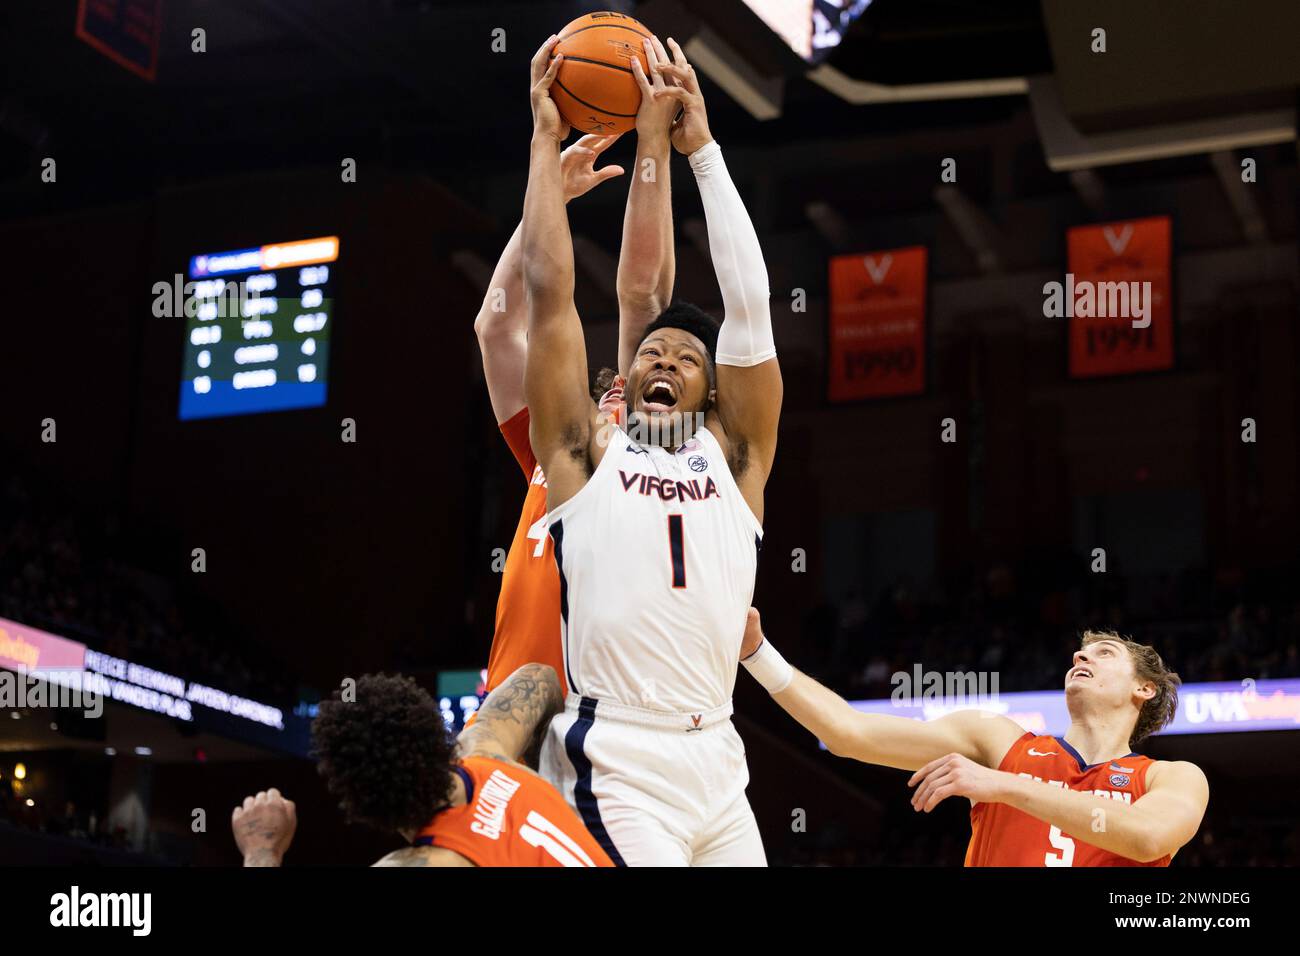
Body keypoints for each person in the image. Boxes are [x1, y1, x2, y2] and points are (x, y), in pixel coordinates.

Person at [520, 34, 782, 866]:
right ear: (623, 381)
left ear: (713, 393)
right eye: (648, 355)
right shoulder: (582, 456)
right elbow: (549, 293)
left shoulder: (737, 462)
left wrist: (700, 149)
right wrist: (542, 139)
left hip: (719, 756)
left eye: (686, 359)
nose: (663, 362)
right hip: (618, 755)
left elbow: (751, 303)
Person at [470, 36, 679, 707]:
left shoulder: (659, 451)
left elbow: (643, 296)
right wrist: (547, 194)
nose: (624, 387)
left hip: (604, 721)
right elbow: (497, 325)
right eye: (612, 390)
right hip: (506, 719)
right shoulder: (550, 449)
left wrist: (654, 147)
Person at [739, 608, 1209, 866]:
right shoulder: (1001, 741)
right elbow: (848, 733)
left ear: (1143, 688)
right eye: (1079, 653)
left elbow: (1148, 838)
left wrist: (1001, 785)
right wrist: (757, 654)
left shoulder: (1171, 778)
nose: (1080, 658)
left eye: (1103, 653)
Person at [231, 663, 612, 867]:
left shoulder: (429, 862)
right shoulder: (488, 748)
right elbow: (539, 678)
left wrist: (262, 852)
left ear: (361, 806)